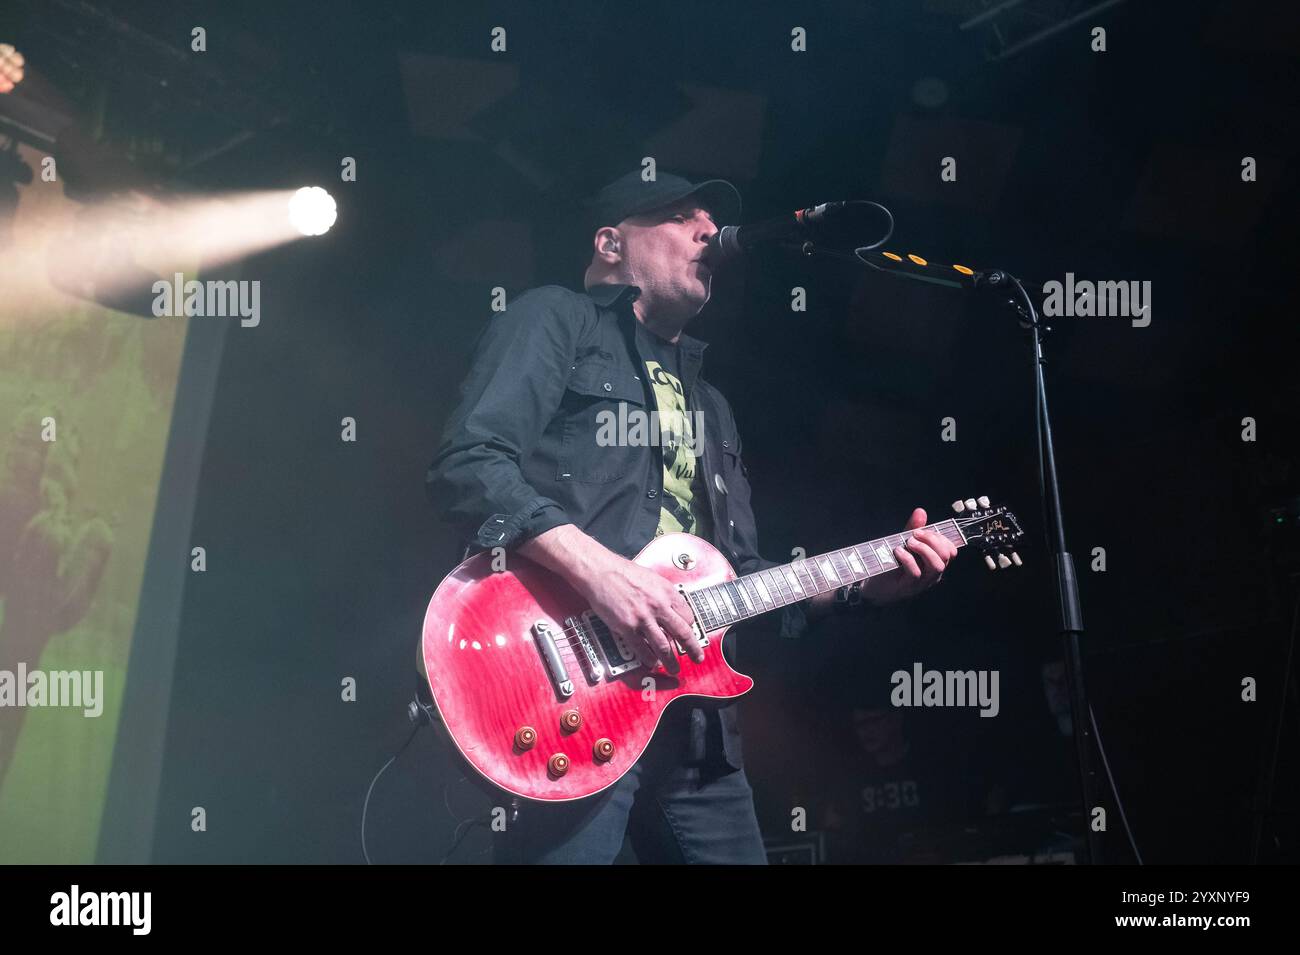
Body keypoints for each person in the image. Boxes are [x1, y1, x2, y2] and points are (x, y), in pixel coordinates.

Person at [425, 169, 958, 864]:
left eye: (710, 220)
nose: (708, 231)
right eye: (681, 217)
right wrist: (603, 575)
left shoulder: (712, 406)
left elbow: (739, 577)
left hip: (697, 726)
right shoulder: (554, 318)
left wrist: (860, 583)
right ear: (611, 243)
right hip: (565, 696)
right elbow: (469, 462)